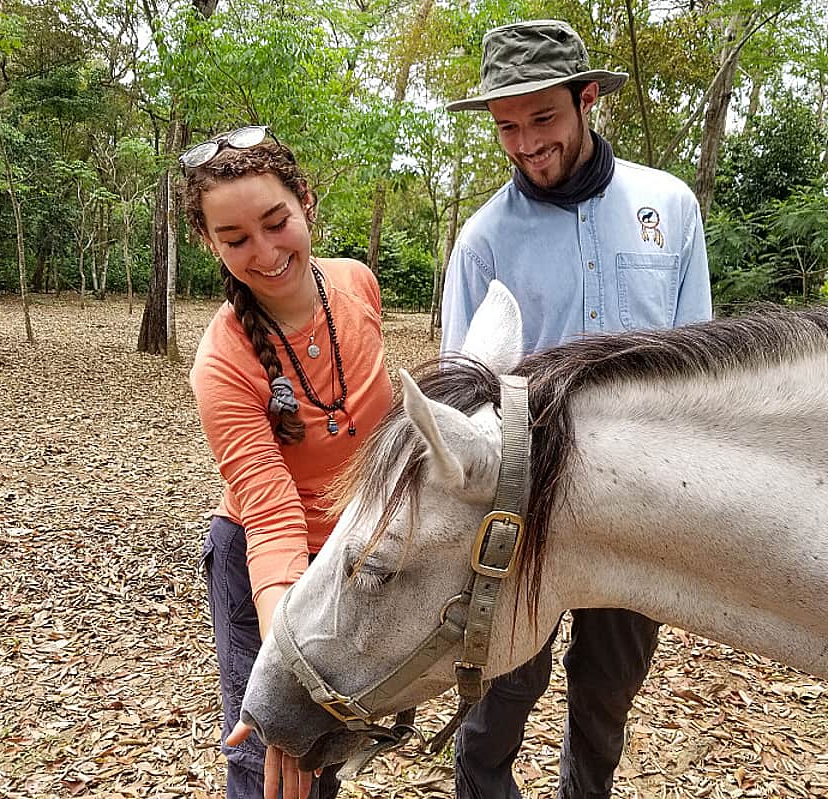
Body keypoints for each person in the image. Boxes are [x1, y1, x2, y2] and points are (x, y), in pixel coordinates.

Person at [442, 19, 713, 799]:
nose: (526, 143)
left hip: (641, 503)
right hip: (528, 508)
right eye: (506, 127)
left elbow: (694, 361)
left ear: (587, 99)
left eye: (543, 119)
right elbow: (468, 390)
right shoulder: (484, 241)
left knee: (608, 691)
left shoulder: (669, 205)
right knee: (500, 693)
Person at [181, 126, 393, 799]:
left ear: (306, 201)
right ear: (209, 243)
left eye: (277, 222)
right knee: (272, 760)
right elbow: (271, 524)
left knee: (332, 743)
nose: (266, 252)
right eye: (236, 238)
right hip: (264, 571)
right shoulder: (223, 362)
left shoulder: (357, 285)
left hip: (354, 555)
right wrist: (289, 671)